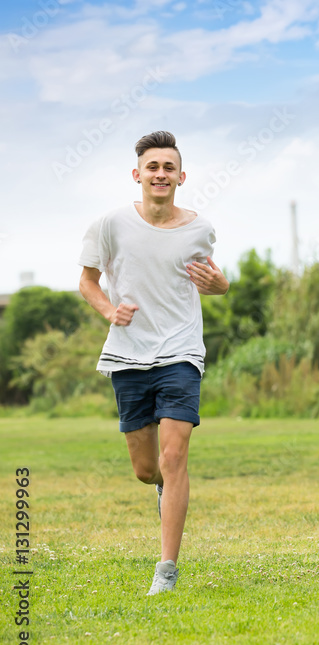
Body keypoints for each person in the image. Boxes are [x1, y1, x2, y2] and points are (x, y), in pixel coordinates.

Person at [79, 131, 229, 595]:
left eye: (169, 168)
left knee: (175, 454)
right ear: (138, 174)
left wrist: (220, 286)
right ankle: (164, 491)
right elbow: (87, 282)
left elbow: (212, 281)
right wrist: (110, 311)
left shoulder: (200, 228)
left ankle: (166, 570)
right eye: (152, 167)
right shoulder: (110, 224)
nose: (160, 174)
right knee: (147, 468)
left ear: (181, 177)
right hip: (127, 353)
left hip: (181, 352)